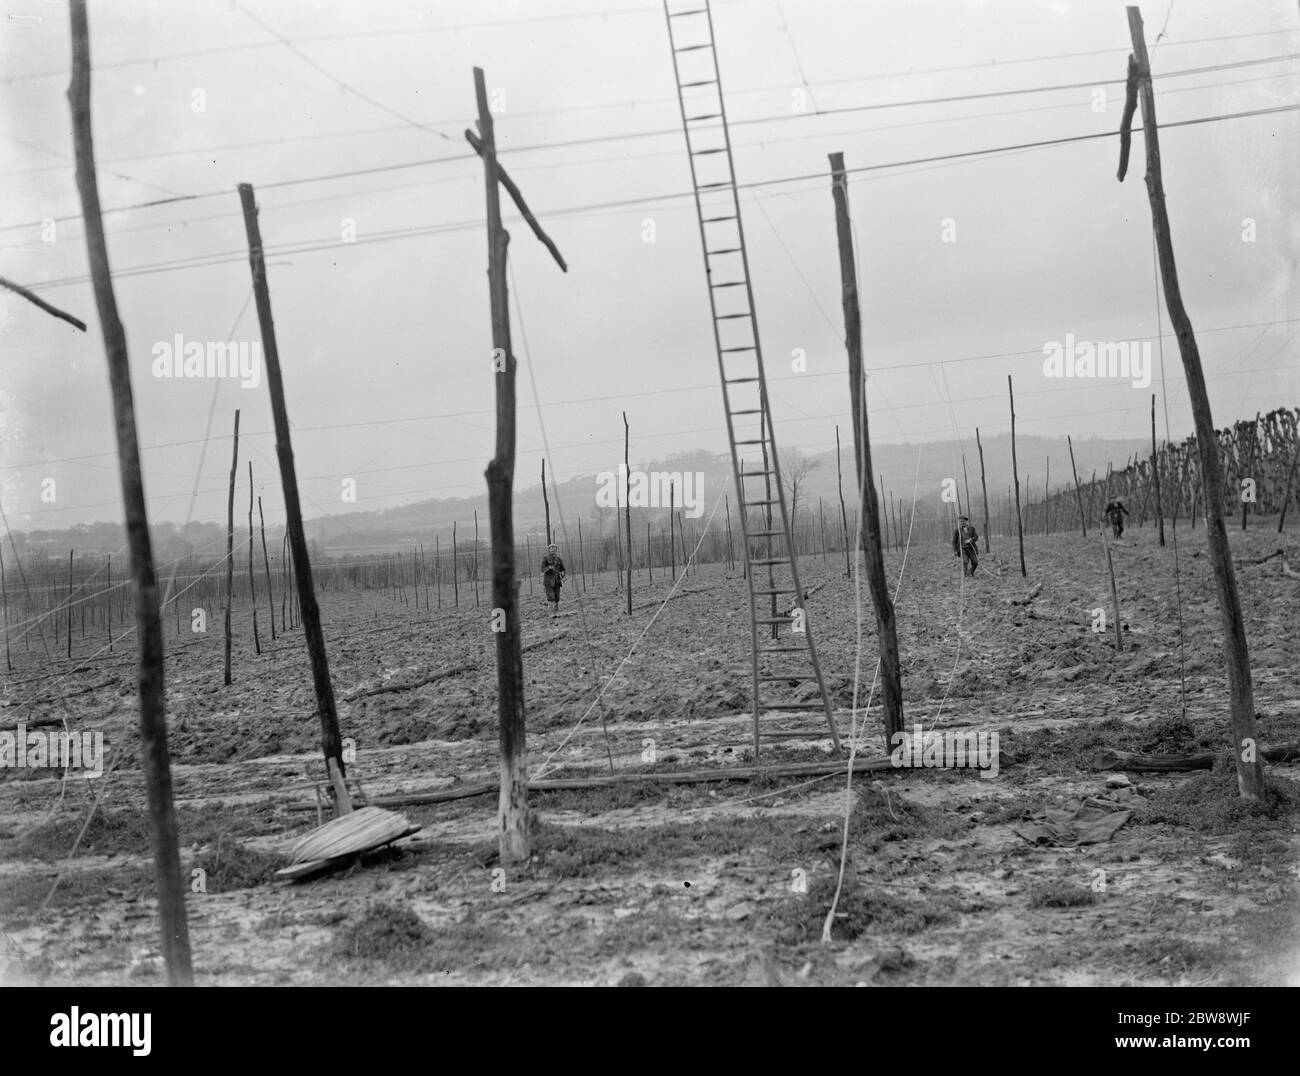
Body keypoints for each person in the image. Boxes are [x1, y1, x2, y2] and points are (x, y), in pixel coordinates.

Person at [540, 543, 566, 618]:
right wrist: (548, 568)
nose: (553, 549)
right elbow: (542, 569)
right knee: (551, 597)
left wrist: (563, 573)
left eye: (554, 548)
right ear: (549, 550)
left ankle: (556, 612)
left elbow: (563, 569)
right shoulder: (545, 558)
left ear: (556, 550)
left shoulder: (559, 559)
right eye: (551, 548)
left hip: (557, 581)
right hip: (548, 581)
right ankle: (551, 613)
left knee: (557, 597)